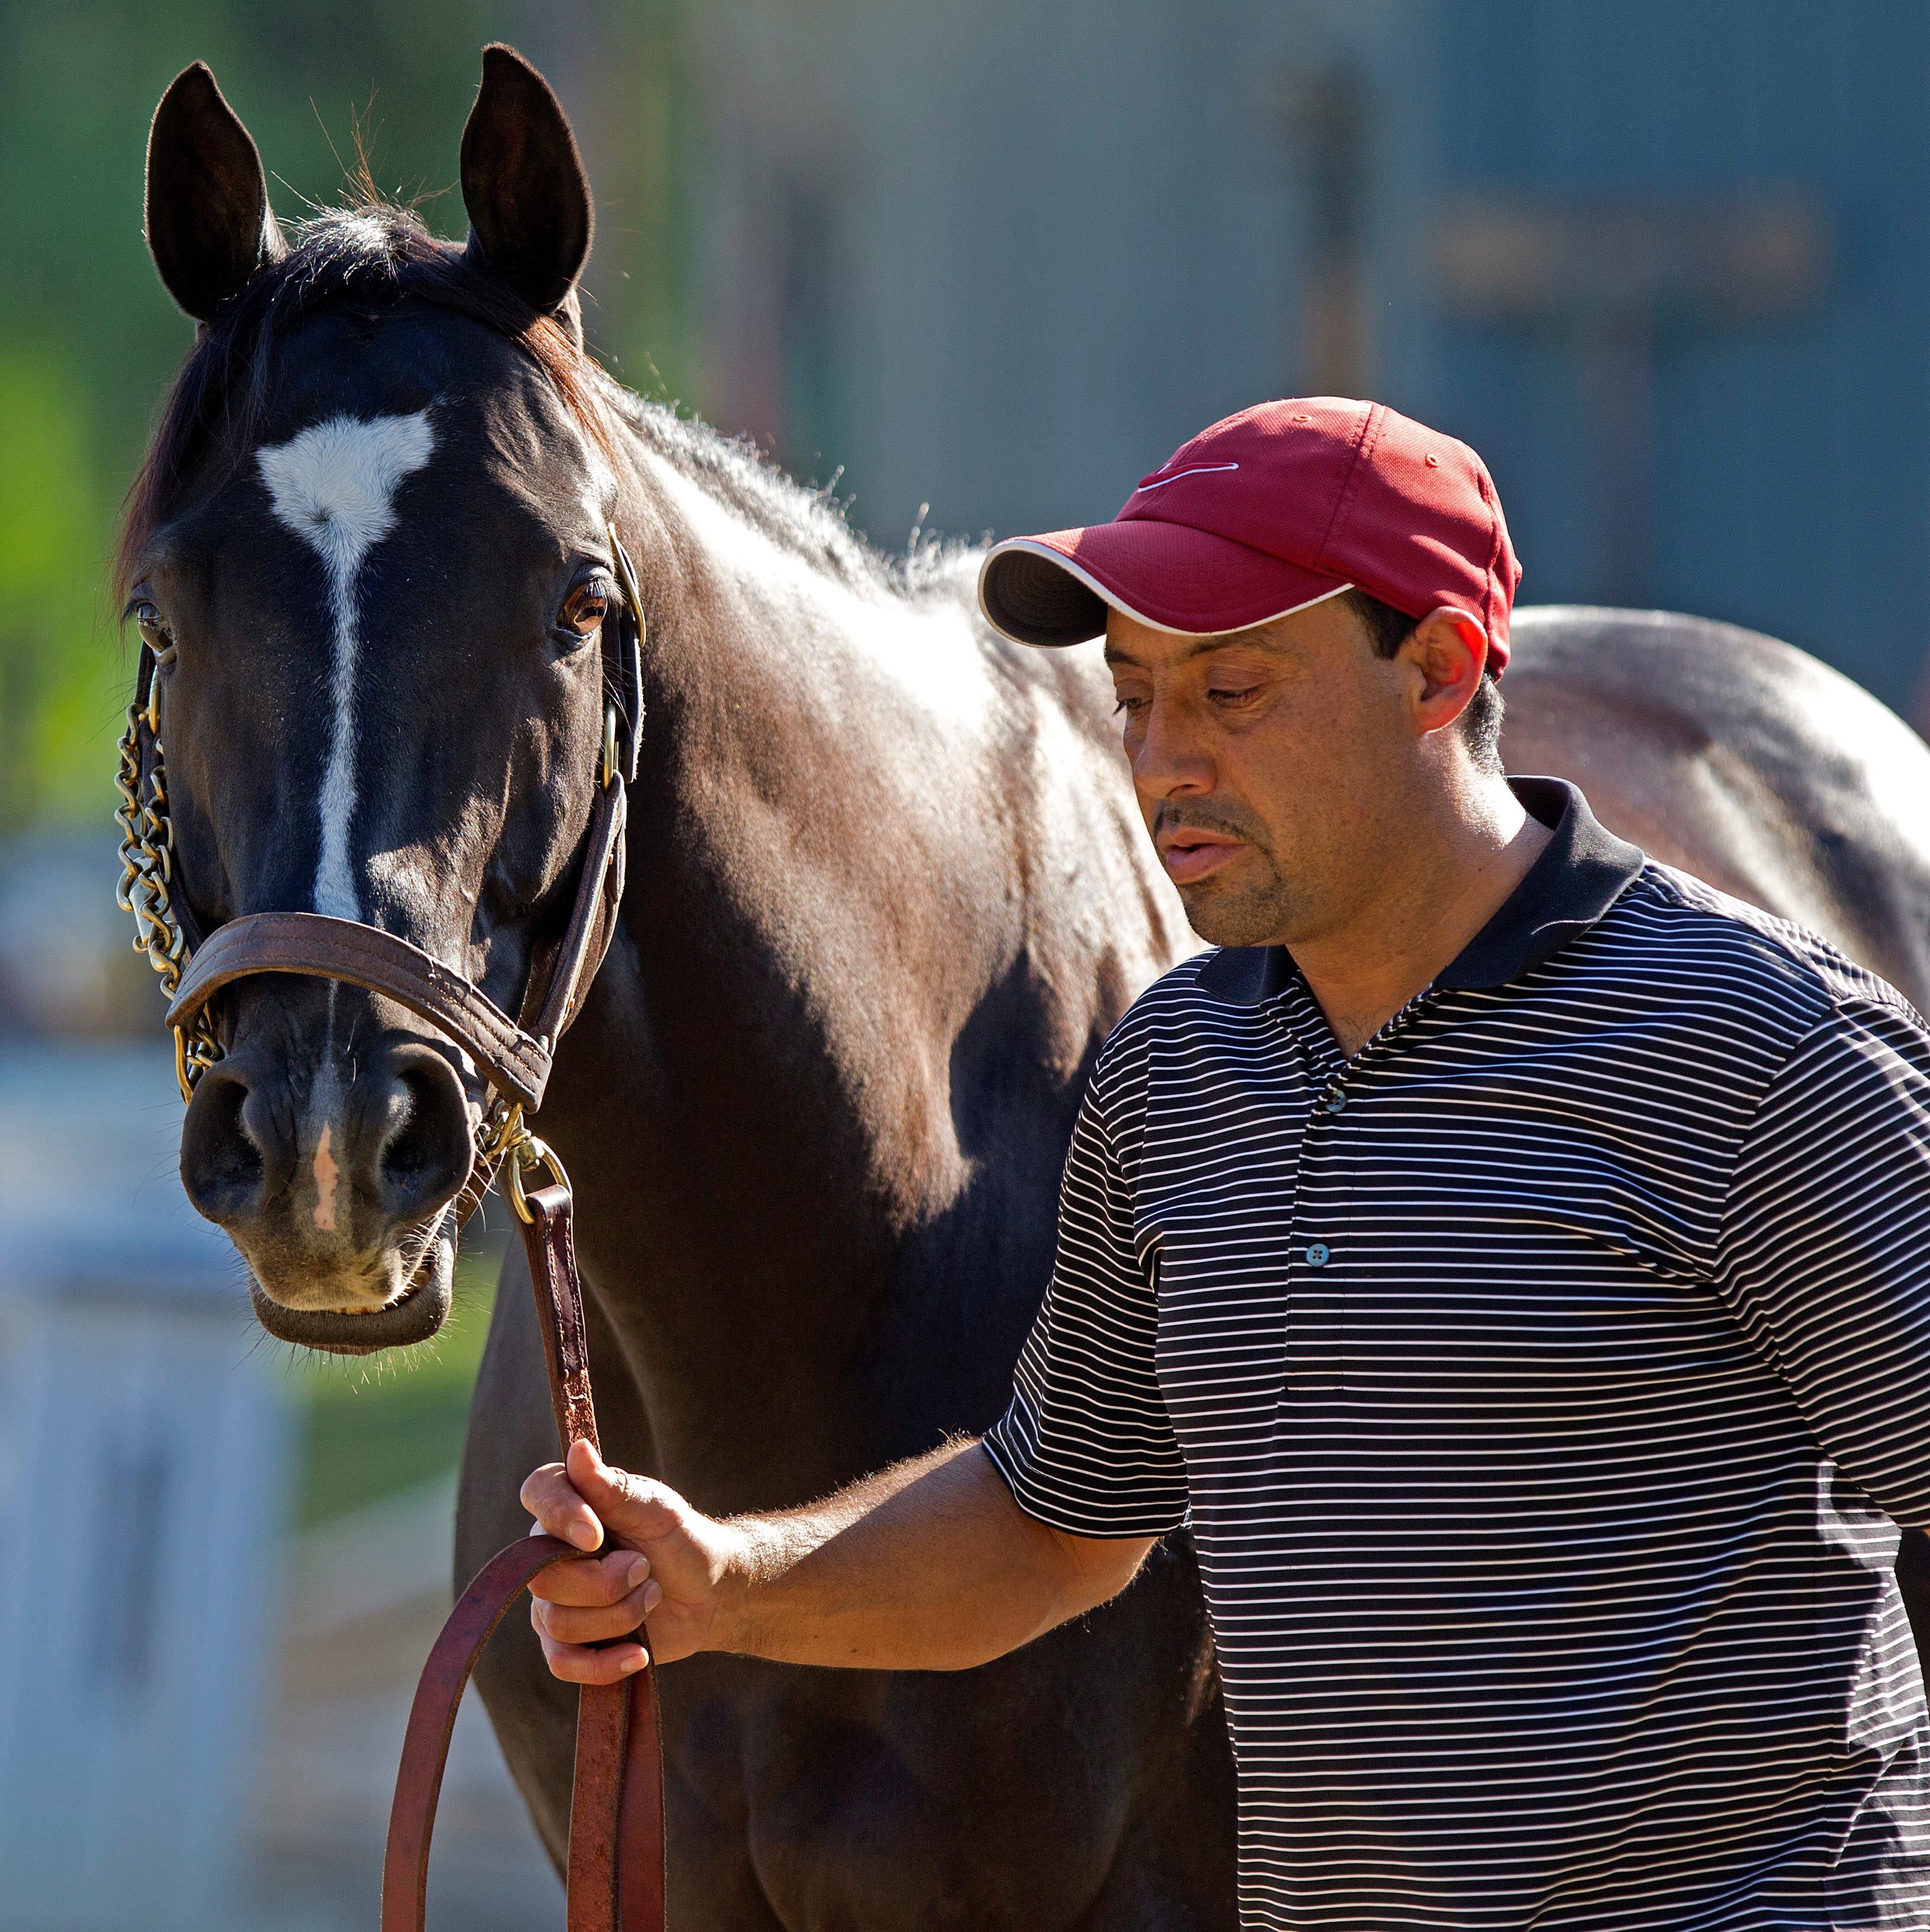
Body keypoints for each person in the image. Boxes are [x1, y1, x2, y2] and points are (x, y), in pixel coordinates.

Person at [521, 398, 1930, 1927]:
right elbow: (1050, 1524)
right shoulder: (1178, 1073)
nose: (1160, 763)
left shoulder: (1750, 1051)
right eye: (1131, 698)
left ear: (1438, 671)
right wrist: (728, 1579)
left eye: (1232, 690)